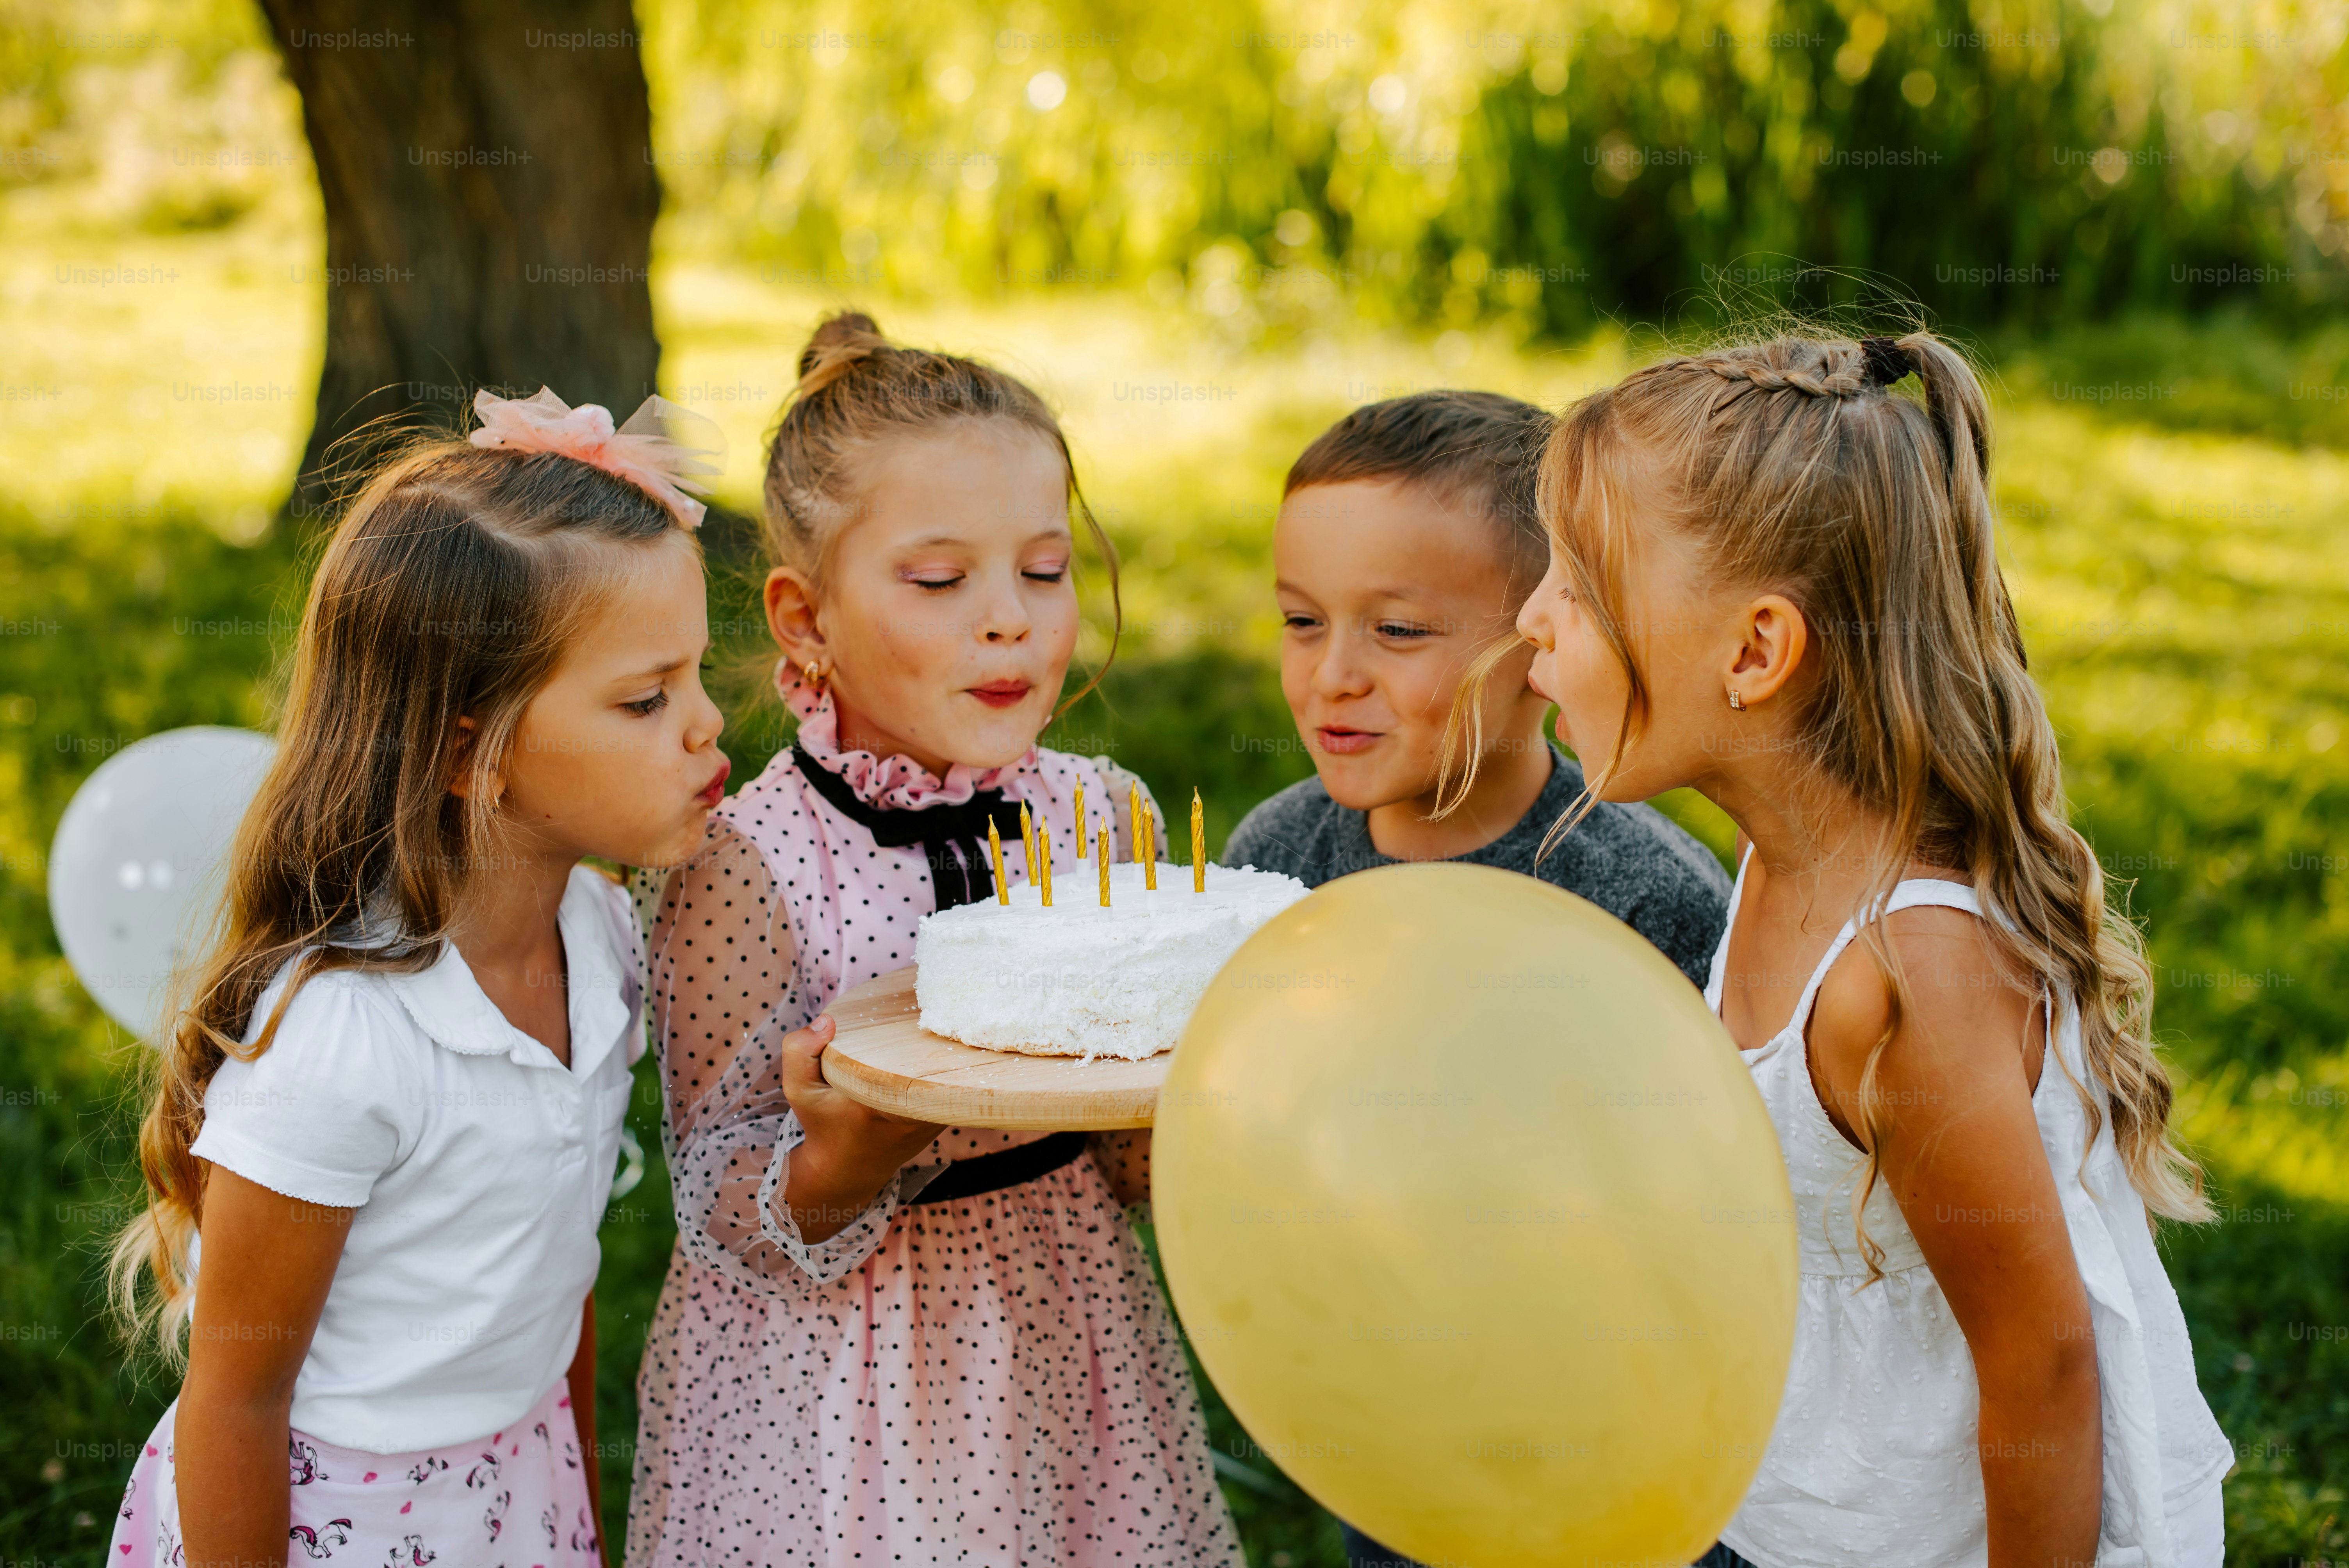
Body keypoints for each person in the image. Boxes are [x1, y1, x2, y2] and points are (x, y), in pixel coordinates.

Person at [1496, 332, 2230, 1566]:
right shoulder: (1780, 863)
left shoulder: (1905, 981)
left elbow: (2042, 1368)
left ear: (1755, 654)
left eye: (1576, 582)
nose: (1529, 618)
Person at [624, 312, 1242, 1566]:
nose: (1010, 620)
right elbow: (724, 1208)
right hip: (847, 1386)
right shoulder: (749, 868)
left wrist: (1199, 1094)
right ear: (805, 620)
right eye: (941, 581)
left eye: (1047, 569)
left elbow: (1129, 1162)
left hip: (1069, 1327)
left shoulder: (1102, 821)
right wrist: (845, 1161)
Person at [105, 387, 731, 1565]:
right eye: (647, 700)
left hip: (518, 1481)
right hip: (345, 1519)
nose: (706, 727)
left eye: (695, 677)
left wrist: (582, 1512)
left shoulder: (600, 941)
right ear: (468, 750)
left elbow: (563, 1274)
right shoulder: (346, 1042)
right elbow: (236, 1399)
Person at [1223, 390, 1731, 1565]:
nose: (1334, 675)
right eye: (1303, 622)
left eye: (1397, 633)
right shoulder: (1275, 866)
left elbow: (1715, 1217)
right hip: (1396, 1423)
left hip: (1615, 1435)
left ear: (1541, 644)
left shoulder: (1636, 893)